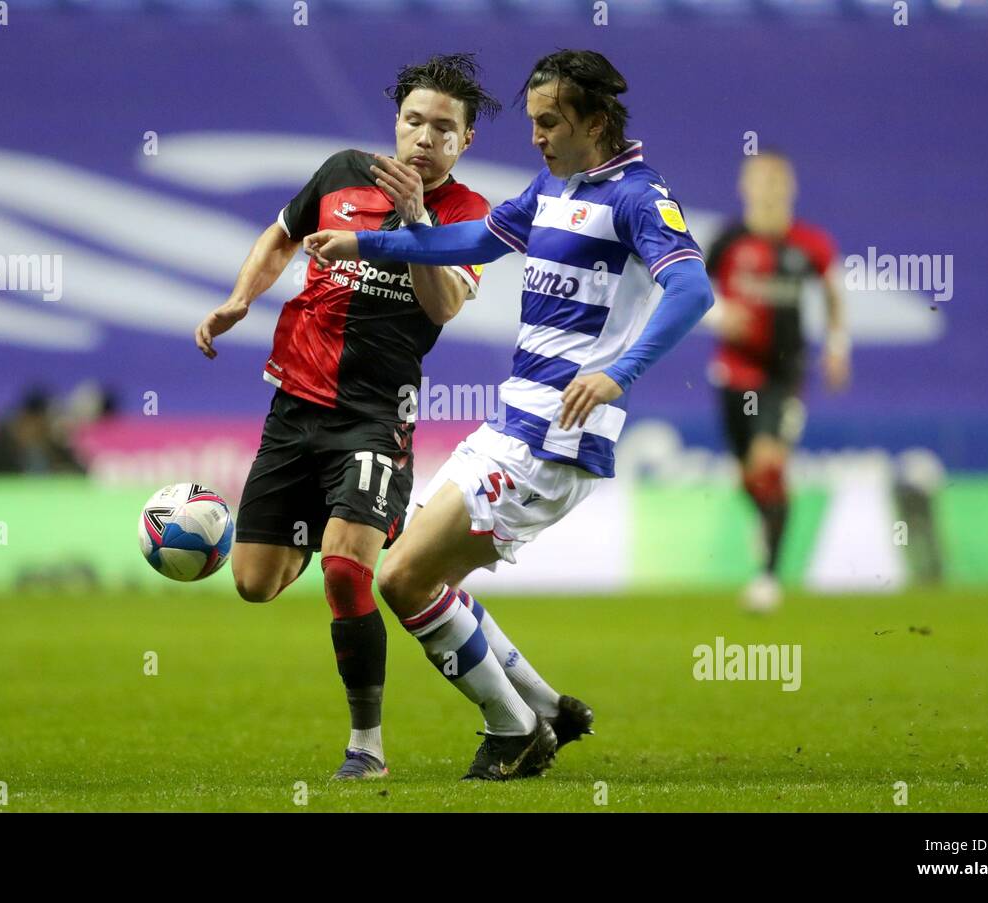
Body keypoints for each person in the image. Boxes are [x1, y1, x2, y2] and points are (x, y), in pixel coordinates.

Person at [304, 49, 714, 780]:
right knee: (421, 577)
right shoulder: (555, 188)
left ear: (595, 121)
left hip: (553, 439)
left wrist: (619, 372)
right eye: (532, 121)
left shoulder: (638, 198)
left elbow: (690, 289)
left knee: (399, 577)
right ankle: (547, 708)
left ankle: (514, 726)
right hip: (508, 425)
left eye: (550, 121)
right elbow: (473, 238)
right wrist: (365, 240)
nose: (536, 136)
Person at [193, 54, 499, 780]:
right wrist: (241, 296)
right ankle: (349, 530)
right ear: (396, 123)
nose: (424, 138)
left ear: (465, 142)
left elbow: (444, 305)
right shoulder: (339, 174)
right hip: (293, 405)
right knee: (255, 581)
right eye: (414, 121)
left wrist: (420, 222)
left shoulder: (469, 215)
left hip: (373, 416)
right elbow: (280, 235)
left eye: (443, 129)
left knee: (342, 571)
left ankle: (367, 746)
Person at [703, 151, 850, 613]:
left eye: (775, 181)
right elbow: (689, 291)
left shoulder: (809, 244)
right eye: (759, 180)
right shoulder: (727, 241)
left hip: (784, 376)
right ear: (745, 186)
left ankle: (768, 577)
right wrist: (722, 316)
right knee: (748, 476)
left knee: (769, 465)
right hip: (732, 375)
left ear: (789, 188)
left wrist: (836, 347)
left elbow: (833, 294)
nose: (767, 189)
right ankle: (768, 520)